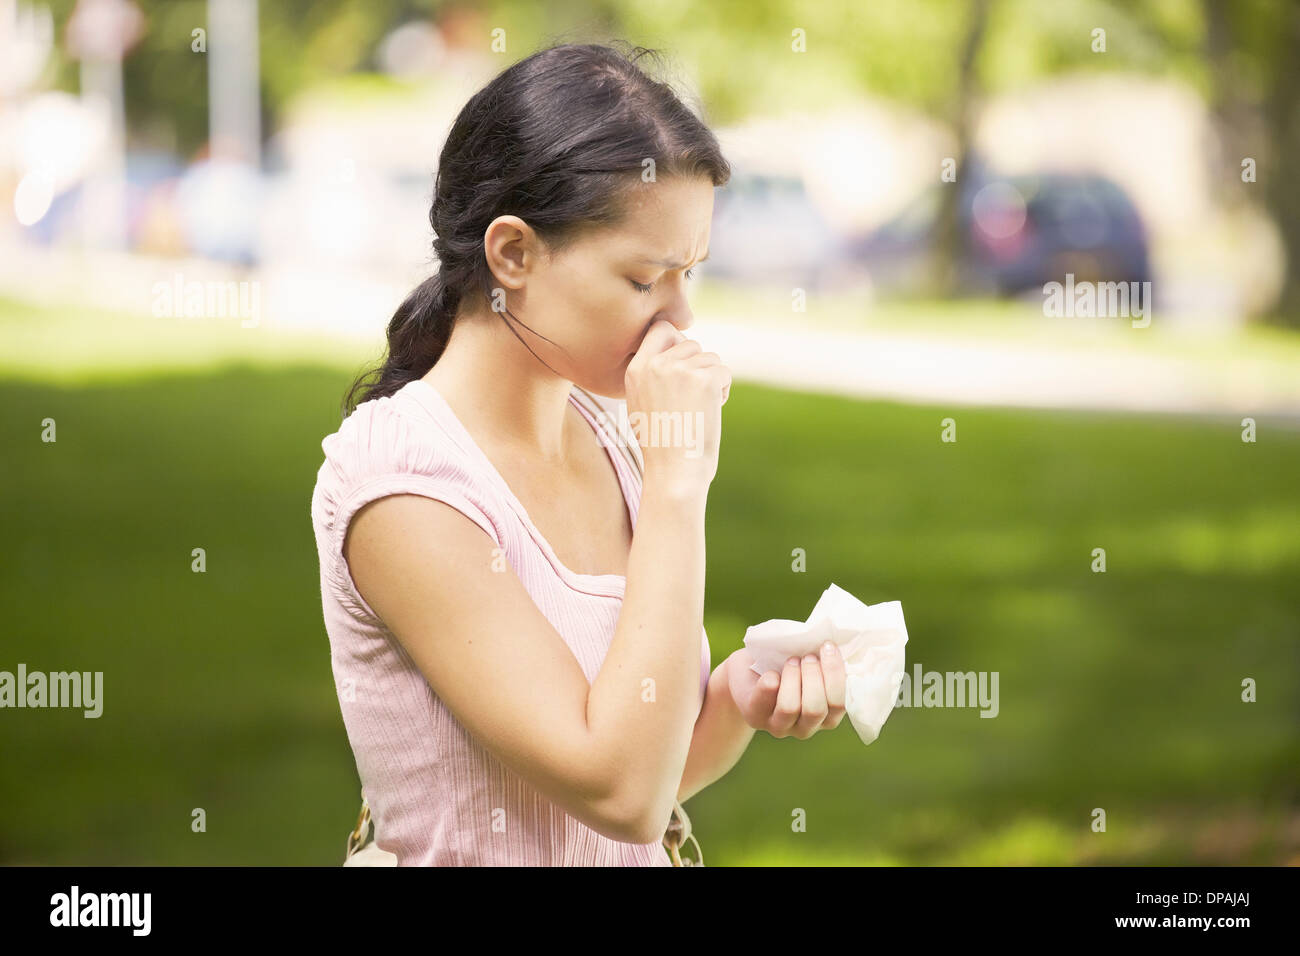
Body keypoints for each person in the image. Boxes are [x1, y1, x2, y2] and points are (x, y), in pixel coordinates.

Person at [310, 41, 846, 866]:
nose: (681, 320)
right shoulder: (405, 483)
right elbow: (619, 792)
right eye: (644, 280)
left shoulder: (605, 436)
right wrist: (676, 483)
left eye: (689, 275)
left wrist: (737, 697)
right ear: (513, 255)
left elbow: (641, 778)